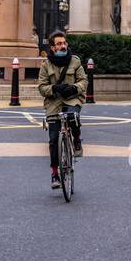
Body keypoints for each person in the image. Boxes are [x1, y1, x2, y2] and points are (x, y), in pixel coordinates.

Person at [37, 29, 87, 189]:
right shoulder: (46, 65)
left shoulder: (75, 61)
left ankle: (77, 139)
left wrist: (73, 88)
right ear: (52, 47)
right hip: (54, 102)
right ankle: (54, 174)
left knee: (72, 116)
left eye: (64, 43)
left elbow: (83, 81)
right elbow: (41, 87)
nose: (63, 46)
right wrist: (55, 89)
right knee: (52, 140)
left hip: (72, 99)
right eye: (59, 44)